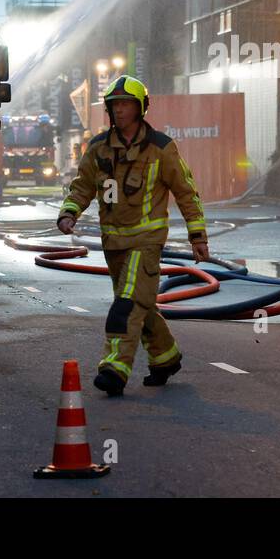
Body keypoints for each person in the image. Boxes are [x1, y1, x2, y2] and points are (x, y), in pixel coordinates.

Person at [56, 75, 209, 396]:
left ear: (140, 108)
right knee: (139, 303)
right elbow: (83, 186)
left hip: (146, 242)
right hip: (113, 244)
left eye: (126, 104)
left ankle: (115, 367)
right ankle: (165, 358)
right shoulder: (98, 148)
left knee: (126, 305)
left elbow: (186, 192)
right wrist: (69, 213)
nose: (120, 110)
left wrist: (198, 236)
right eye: (115, 105)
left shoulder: (161, 148)